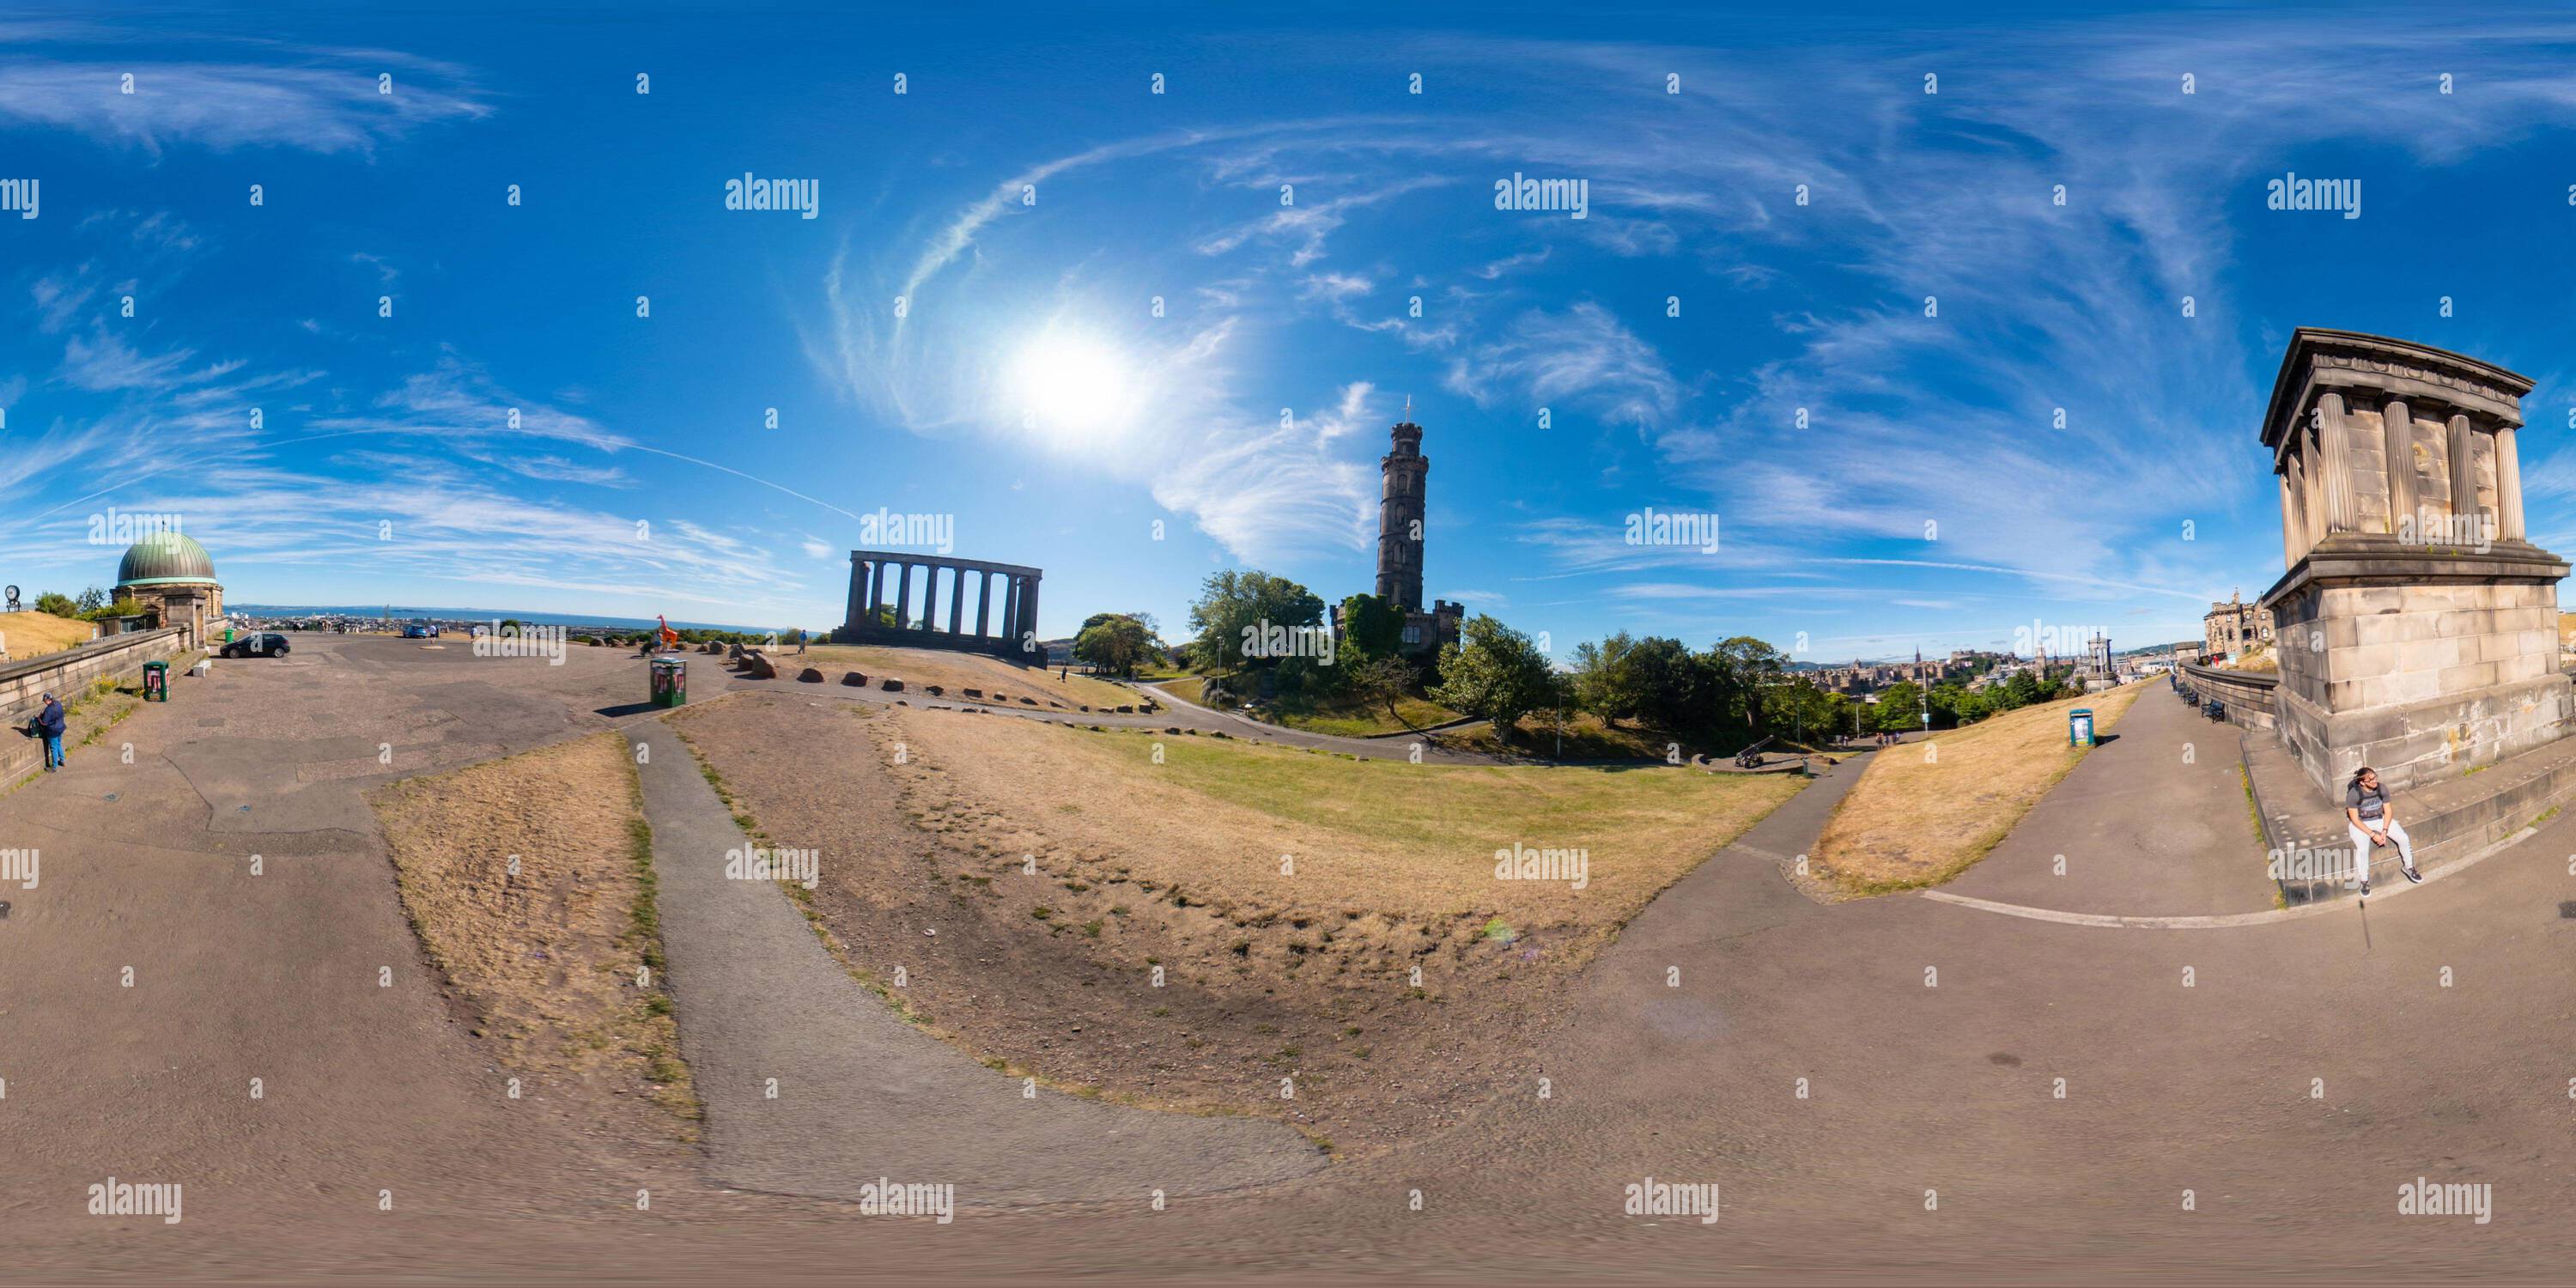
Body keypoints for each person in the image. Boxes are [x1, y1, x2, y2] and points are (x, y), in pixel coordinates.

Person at [2344, 765, 2421, 895]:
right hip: (2360, 824)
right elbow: (2355, 819)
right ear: (2362, 782)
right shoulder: (2354, 794)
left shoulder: (2381, 788)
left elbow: (2388, 810)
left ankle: (2409, 867)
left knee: (2403, 838)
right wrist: (2372, 834)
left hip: (2380, 819)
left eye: (2375, 778)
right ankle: (2364, 880)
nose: (2375, 781)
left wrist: (2384, 831)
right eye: (2371, 780)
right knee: (2362, 850)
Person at [33, 691, 65, 772]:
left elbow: (44, 723)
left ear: (47, 700)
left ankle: (54, 767)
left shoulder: (49, 709)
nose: (44, 702)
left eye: (44, 701)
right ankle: (62, 761)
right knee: (58, 744)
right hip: (60, 728)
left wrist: (39, 718)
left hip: (53, 731)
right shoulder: (58, 703)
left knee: (53, 748)